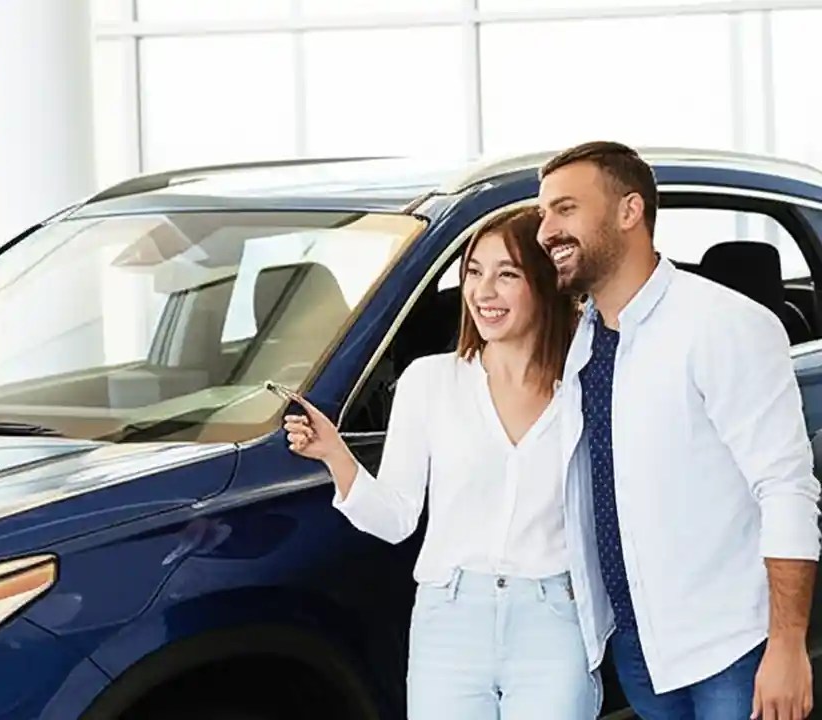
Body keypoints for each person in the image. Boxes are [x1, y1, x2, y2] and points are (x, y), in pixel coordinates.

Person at [535, 140, 820, 720]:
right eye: (544, 214)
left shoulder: (723, 325)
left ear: (629, 211)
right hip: (637, 644)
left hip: (730, 647)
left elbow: (786, 488)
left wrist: (788, 646)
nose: (545, 231)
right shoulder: (584, 337)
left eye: (564, 209)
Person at [283, 206, 599, 718]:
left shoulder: (588, 389)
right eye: (474, 272)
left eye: (507, 274)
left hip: (555, 617)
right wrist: (335, 455)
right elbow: (395, 520)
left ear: (544, 284)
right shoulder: (429, 382)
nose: (483, 292)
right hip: (450, 619)